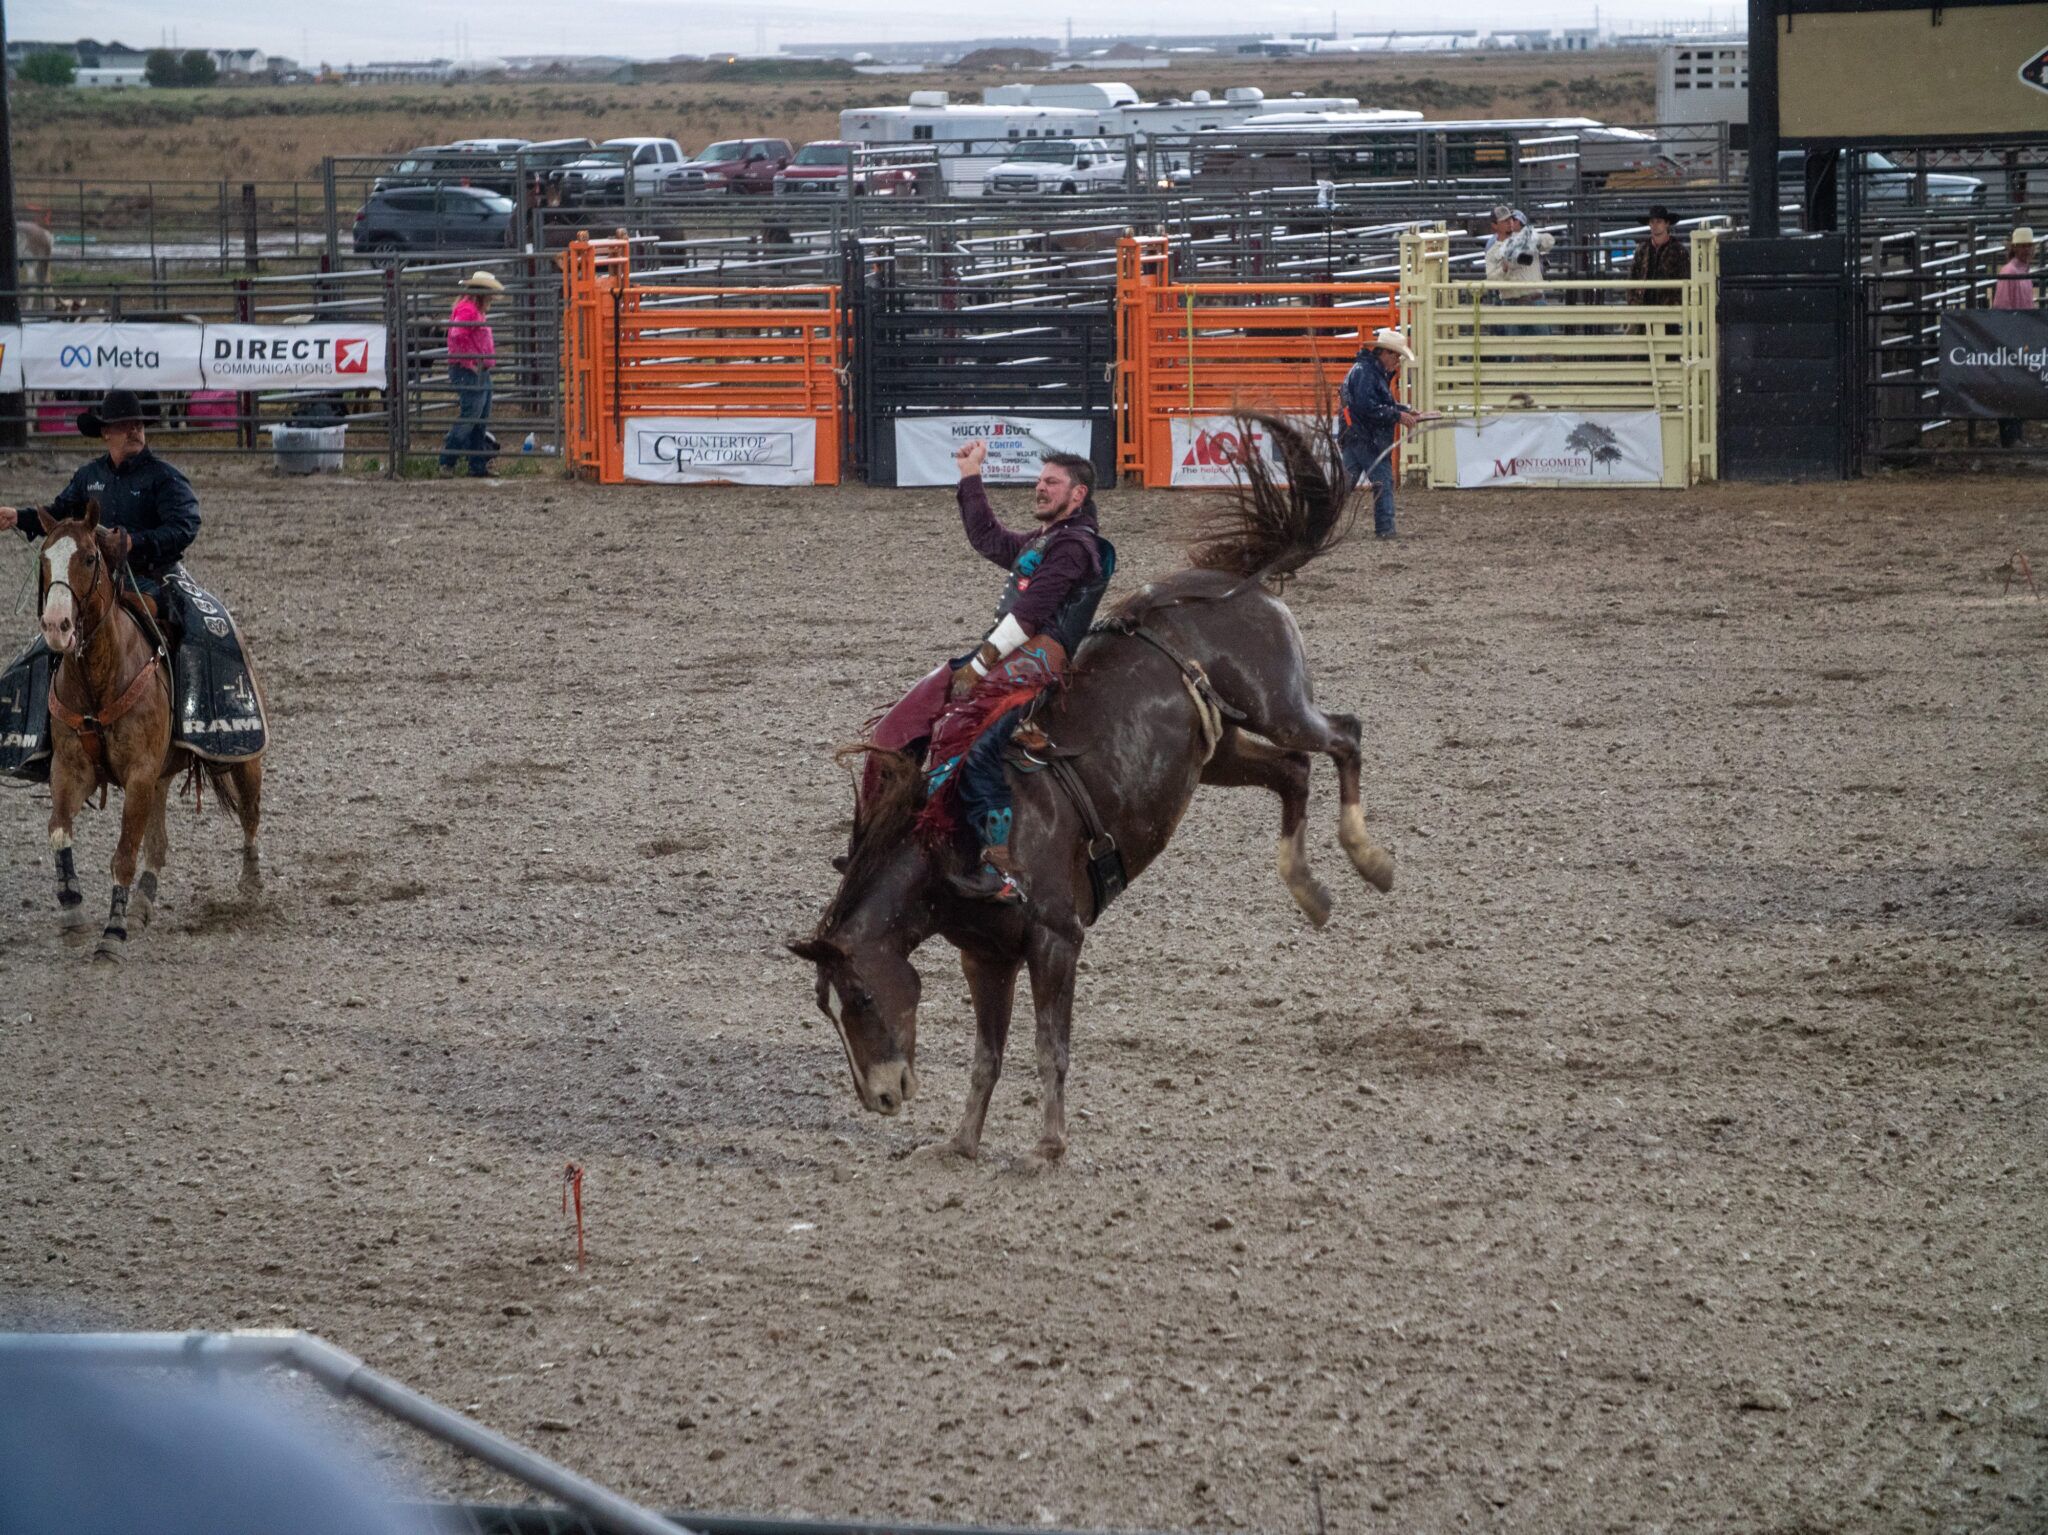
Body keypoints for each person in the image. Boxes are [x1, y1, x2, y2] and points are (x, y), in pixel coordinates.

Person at [861, 443, 1111, 903]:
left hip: (1037, 661)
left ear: (1077, 495)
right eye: (1040, 480)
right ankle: (876, 840)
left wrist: (979, 665)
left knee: (968, 740)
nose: (1039, 487)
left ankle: (1003, 868)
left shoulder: (1076, 546)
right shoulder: (1048, 540)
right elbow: (989, 539)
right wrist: (970, 474)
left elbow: (1032, 613)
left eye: (1051, 482)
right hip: (1007, 654)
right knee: (893, 731)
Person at [1339, 327, 1422, 541]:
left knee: (1344, 485)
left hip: (1356, 435)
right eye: (1397, 356)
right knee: (1382, 480)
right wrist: (1398, 415)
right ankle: (1385, 528)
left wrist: (1401, 411)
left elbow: (1372, 405)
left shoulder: (1365, 370)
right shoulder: (1368, 373)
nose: (1398, 362)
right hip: (1367, 438)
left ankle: (1317, 523)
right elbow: (1368, 407)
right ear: (1386, 353)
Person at [440, 270, 503, 478]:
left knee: (479, 418)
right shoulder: (468, 310)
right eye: (490, 293)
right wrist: (470, 361)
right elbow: (457, 335)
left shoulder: (472, 308)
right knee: (471, 417)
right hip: (469, 370)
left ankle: (476, 465)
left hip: (478, 369)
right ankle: (448, 461)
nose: (493, 298)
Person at [1991, 226, 2037, 449]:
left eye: (2029, 245)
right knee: (2012, 386)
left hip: (2018, 335)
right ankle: (2011, 436)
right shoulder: (2011, 273)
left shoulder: (2019, 272)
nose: (2027, 249)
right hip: (2014, 336)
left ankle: (2013, 435)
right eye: (2024, 245)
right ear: (2015, 247)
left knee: (2014, 385)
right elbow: (2003, 307)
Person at [1628, 205, 1689, 305]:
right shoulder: (1642, 250)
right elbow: (1632, 277)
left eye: (1659, 221)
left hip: (1670, 309)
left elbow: (1686, 276)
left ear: (1667, 224)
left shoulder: (1679, 250)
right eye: (1652, 222)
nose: (1655, 225)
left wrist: (1676, 302)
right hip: (1644, 306)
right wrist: (1633, 301)